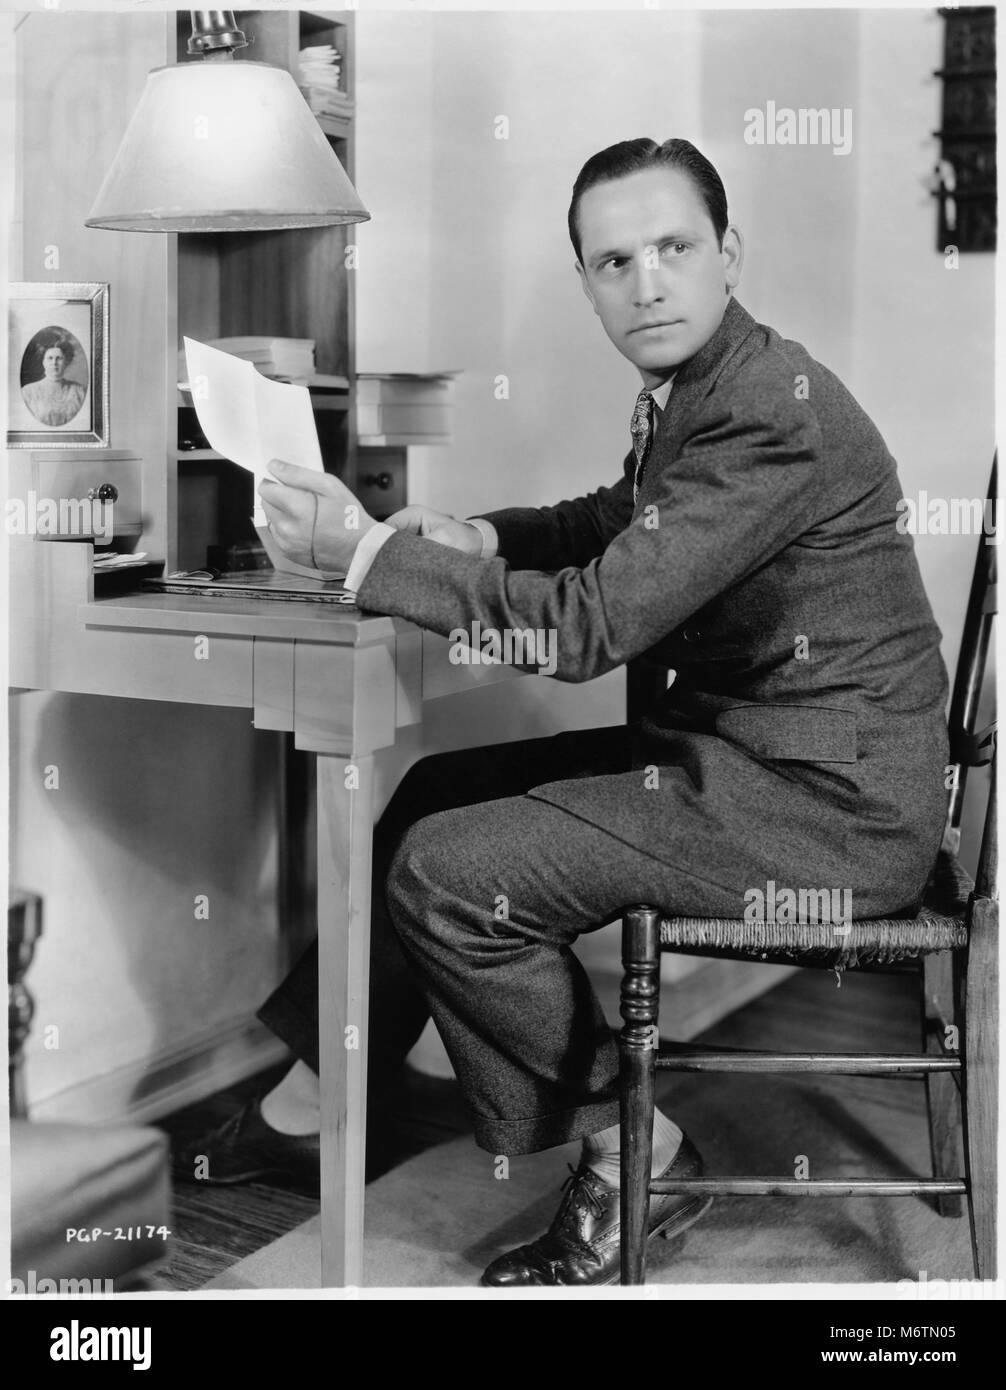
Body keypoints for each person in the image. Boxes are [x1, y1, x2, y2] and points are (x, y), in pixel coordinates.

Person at [178, 138, 950, 1286]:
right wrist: (479, 535)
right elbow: (615, 520)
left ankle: (632, 1152)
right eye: (613, 261)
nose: (646, 282)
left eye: (673, 248)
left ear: (729, 254)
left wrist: (365, 556)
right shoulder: (710, 387)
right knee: (436, 791)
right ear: (586, 280)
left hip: (825, 809)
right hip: (764, 760)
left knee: (448, 873)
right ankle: (312, 1102)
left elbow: (588, 628)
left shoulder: (766, 412)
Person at [21, 331, 86, 427]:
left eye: (59, 358)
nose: (54, 363)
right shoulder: (28, 392)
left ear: (66, 362)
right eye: (50, 358)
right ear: (43, 362)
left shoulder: (79, 391)